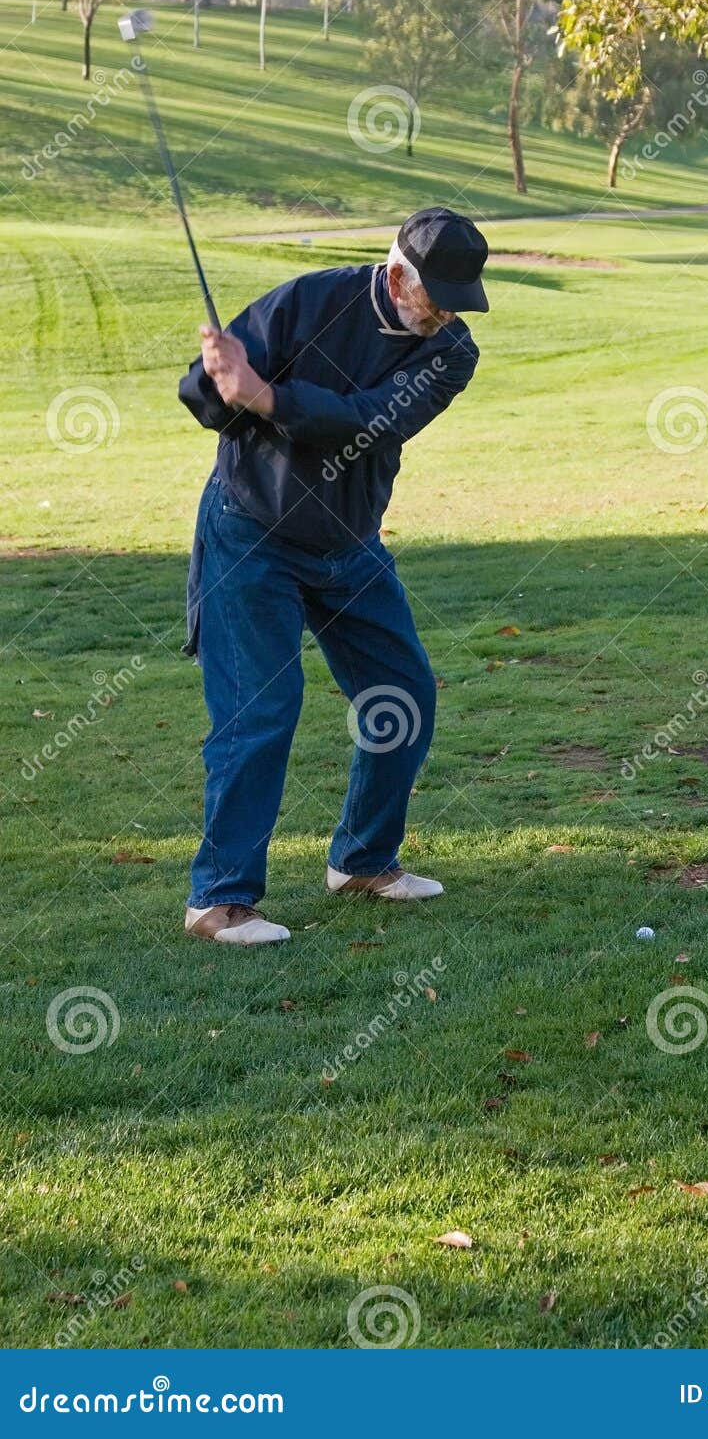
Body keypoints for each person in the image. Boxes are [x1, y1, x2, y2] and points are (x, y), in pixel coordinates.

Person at [176, 206, 487, 946]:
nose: (445, 316)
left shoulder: (451, 352)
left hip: (348, 542)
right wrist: (221, 383)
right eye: (435, 299)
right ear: (397, 277)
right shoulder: (307, 303)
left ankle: (362, 861)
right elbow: (202, 399)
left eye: (458, 302)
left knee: (403, 694)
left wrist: (267, 397)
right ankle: (218, 900)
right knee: (261, 708)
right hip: (252, 532)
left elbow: (372, 421)